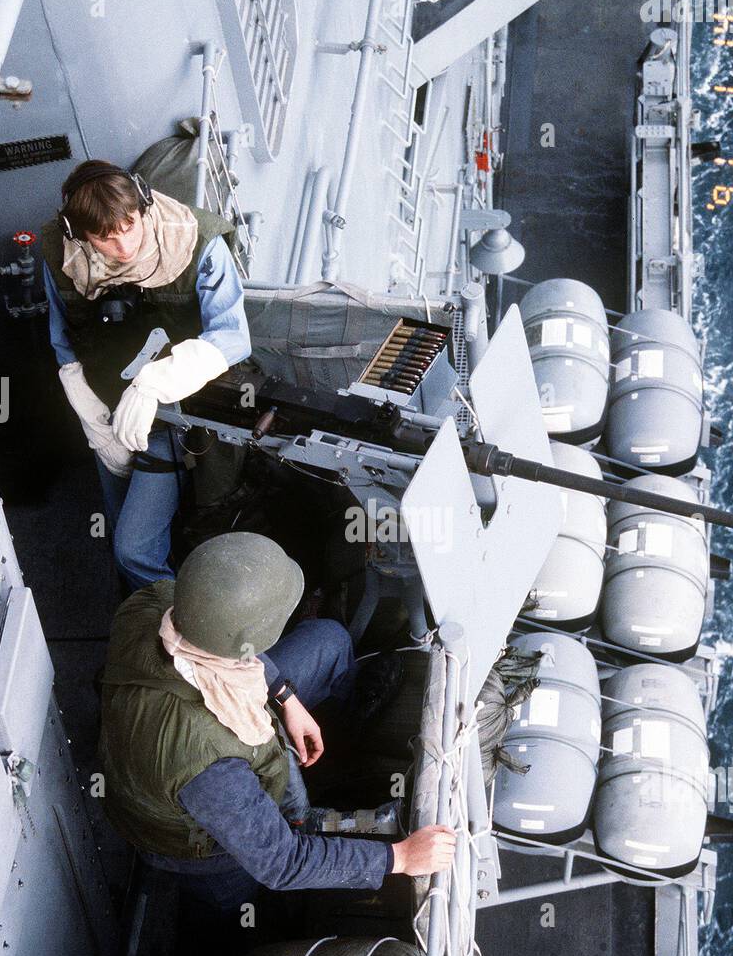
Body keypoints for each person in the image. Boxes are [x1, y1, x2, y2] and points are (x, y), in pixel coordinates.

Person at [99, 531, 456, 913]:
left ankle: (323, 781)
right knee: (240, 895)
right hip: (193, 839)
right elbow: (281, 864)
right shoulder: (208, 766)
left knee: (330, 642)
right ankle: (286, 850)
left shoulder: (157, 603)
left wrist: (285, 698)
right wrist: (399, 859)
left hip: (204, 735)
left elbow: (230, 649)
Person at [42, 160, 251, 589]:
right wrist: (94, 421)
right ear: (79, 234)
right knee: (118, 530)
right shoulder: (61, 254)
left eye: (129, 225)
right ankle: (143, 605)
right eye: (104, 236)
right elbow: (64, 344)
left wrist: (155, 383)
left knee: (133, 549)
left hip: (179, 401)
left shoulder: (196, 240)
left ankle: (180, 629)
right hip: (108, 402)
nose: (123, 246)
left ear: (144, 206)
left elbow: (232, 337)